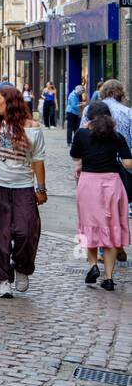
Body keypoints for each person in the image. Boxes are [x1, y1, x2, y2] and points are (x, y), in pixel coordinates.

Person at [0, 85, 47, 298]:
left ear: (10, 101)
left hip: (23, 186)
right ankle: (3, 278)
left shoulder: (33, 128)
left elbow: (38, 160)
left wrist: (41, 188)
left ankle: (21, 267)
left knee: (26, 230)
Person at [69, 101, 130, 292]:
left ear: (88, 118)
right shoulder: (117, 136)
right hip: (112, 184)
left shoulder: (81, 134)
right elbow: (128, 163)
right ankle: (109, 278)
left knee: (90, 226)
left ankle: (93, 265)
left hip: (89, 184)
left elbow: (74, 154)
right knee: (111, 231)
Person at [65, 81, 86, 145]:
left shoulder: (75, 95)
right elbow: (74, 106)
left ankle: (74, 140)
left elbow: (75, 104)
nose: (81, 94)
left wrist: (80, 103)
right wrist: (82, 105)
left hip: (74, 113)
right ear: (79, 91)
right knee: (70, 127)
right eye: (81, 92)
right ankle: (69, 141)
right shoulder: (73, 95)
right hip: (71, 113)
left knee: (75, 127)